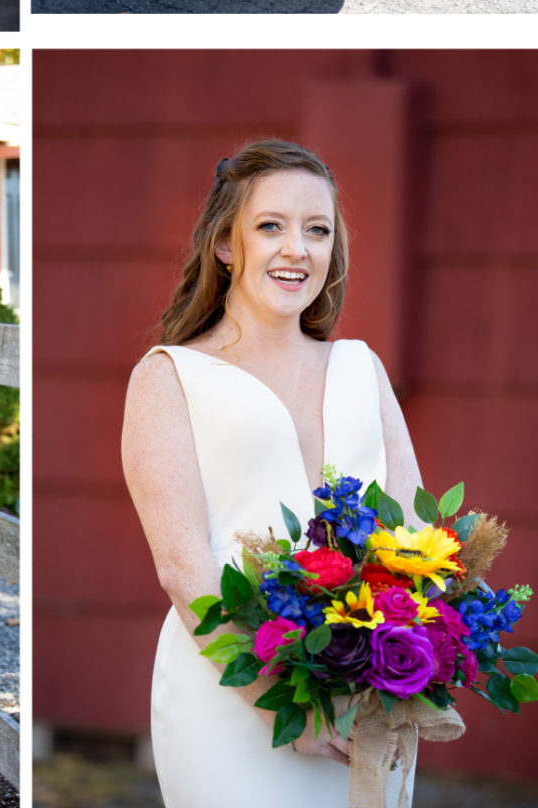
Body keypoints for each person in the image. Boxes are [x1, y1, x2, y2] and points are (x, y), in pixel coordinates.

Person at [121, 141, 421, 806]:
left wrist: (403, 660)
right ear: (226, 244)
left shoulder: (360, 367)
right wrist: (273, 702)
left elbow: (414, 528)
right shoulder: (170, 376)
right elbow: (181, 565)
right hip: (231, 694)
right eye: (271, 226)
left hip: (366, 693)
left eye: (317, 230)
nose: (297, 249)